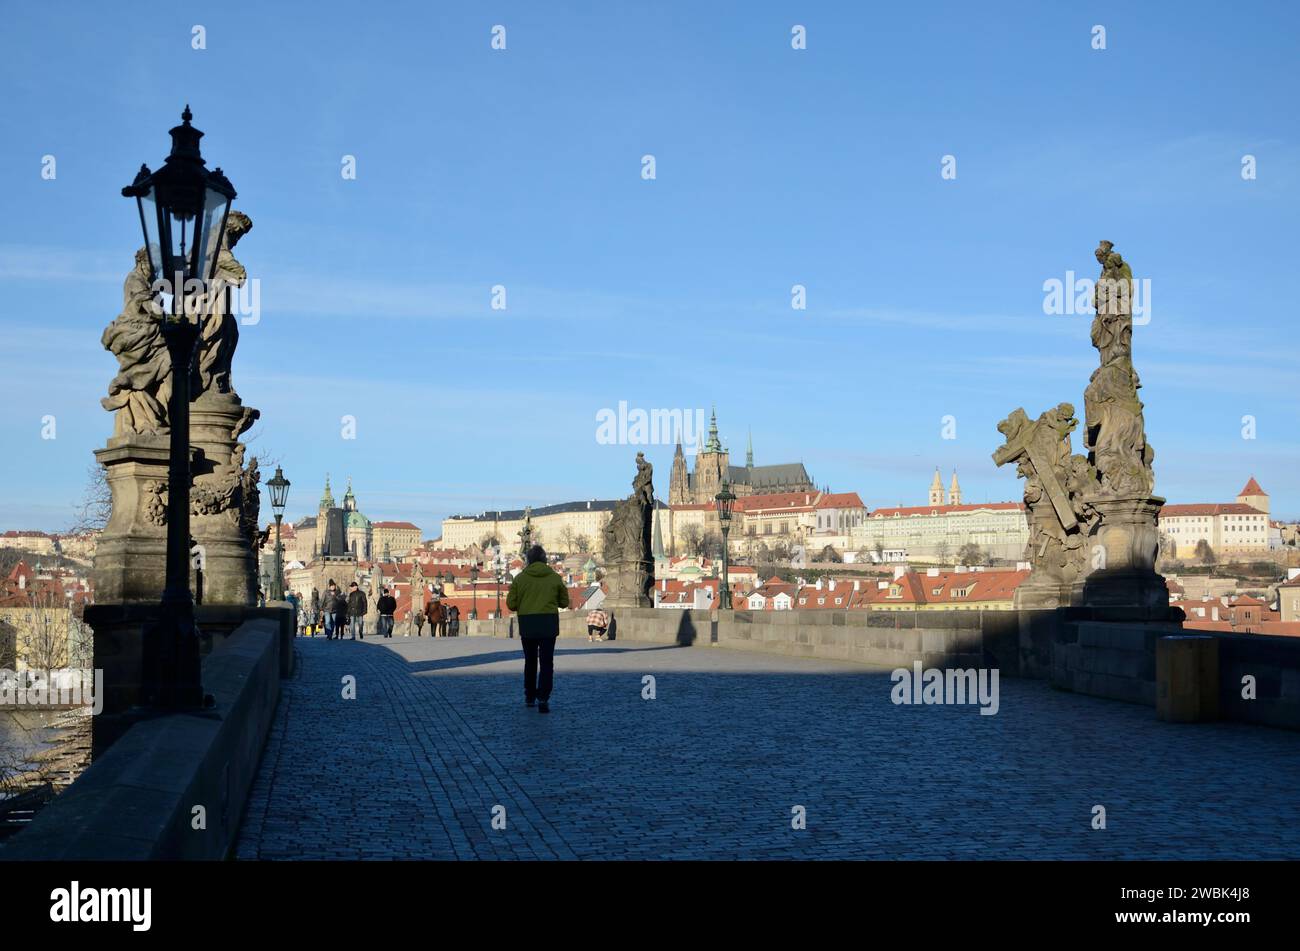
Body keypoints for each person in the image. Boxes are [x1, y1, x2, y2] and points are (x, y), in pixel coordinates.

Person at [506, 545, 569, 713]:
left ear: (529, 560)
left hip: (528, 624)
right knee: (547, 662)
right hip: (548, 624)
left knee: (531, 661)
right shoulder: (555, 578)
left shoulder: (520, 579)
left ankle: (529, 696)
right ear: (544, 560)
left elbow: (511, 604)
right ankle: (543, 698)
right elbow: (564, 603)